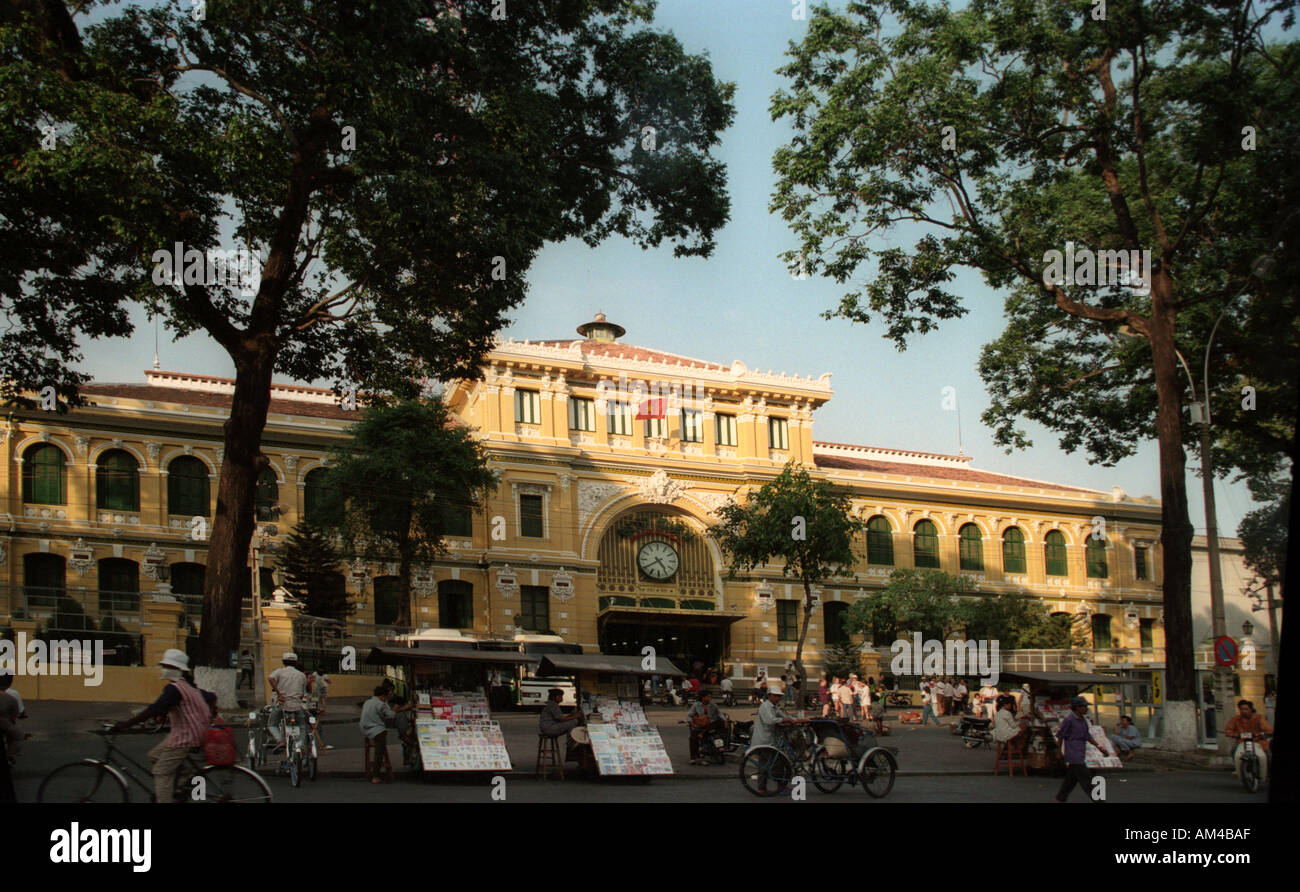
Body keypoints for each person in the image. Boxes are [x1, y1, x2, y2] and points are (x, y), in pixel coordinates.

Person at [110, 649, 217, 803]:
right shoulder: (189, 686)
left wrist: (126, 724)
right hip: (188, 733)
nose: (165, 670)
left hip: (185, 737)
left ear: (178, 670)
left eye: (168, 666)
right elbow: (212, 697)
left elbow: (154, 709)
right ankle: (184, 776)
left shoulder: (174, 689)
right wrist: (210, 713)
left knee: (161, 771)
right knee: (154, 755)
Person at [360, 685, 414, 783]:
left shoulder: (367, 702)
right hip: (376, 729)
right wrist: (397, 708)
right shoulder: (381, 704)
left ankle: (403, 735)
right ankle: (375, 776)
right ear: (382, 696)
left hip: (365, 728)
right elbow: (391, 715)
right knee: (379, 752)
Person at [1053, 696, 1096, 802]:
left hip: (1081, 751)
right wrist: (1059, 751)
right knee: (1087, 780)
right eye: (1084, 707)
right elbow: (1061, 736)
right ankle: (1099, 800)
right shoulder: (1069, 720)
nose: (1086, 709)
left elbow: (1087, 736)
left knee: (1071, 779)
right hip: (1073, 752)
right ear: (1077, 707)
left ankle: (1060, 798)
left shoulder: (1083, 721)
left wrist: (1099, 747)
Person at [267, 651, 309, 748]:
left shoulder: (279, 671)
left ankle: (280, 741)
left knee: (272, 724)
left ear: (283, 662)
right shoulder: (301, 675)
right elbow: (302, 693)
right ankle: (301, 746)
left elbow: (270, 678)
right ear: (296, 663)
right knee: (302, 726)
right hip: (296, 706)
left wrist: (279, 693)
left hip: (282, 705)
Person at [1225, 700, 1273, 784]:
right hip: (1241, 742)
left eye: (1246, 709)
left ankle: (1267, 773)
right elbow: (1228, 730)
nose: (1243, 711)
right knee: (1234, 751)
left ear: (1251, 709)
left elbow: (1268, 730)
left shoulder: (1258, 718)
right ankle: (1237, 769)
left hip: (1259, 742)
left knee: (1268, 755)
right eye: (1241, 709)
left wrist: (1261, 734)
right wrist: (1233, 734)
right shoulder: (1236, 719)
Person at [687, 691, 726, 765]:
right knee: (692, 738)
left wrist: (725, 721)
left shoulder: (713, 705)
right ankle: (693, 757)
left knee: (720, 722)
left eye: (710, 697)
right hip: (701, 725)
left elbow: (719, 713)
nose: (709, 698)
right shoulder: (696, 705)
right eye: (707, 696)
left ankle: (703, 734)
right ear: (703, 697)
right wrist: (691, 723)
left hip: (711, 725)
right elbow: (689, 715)